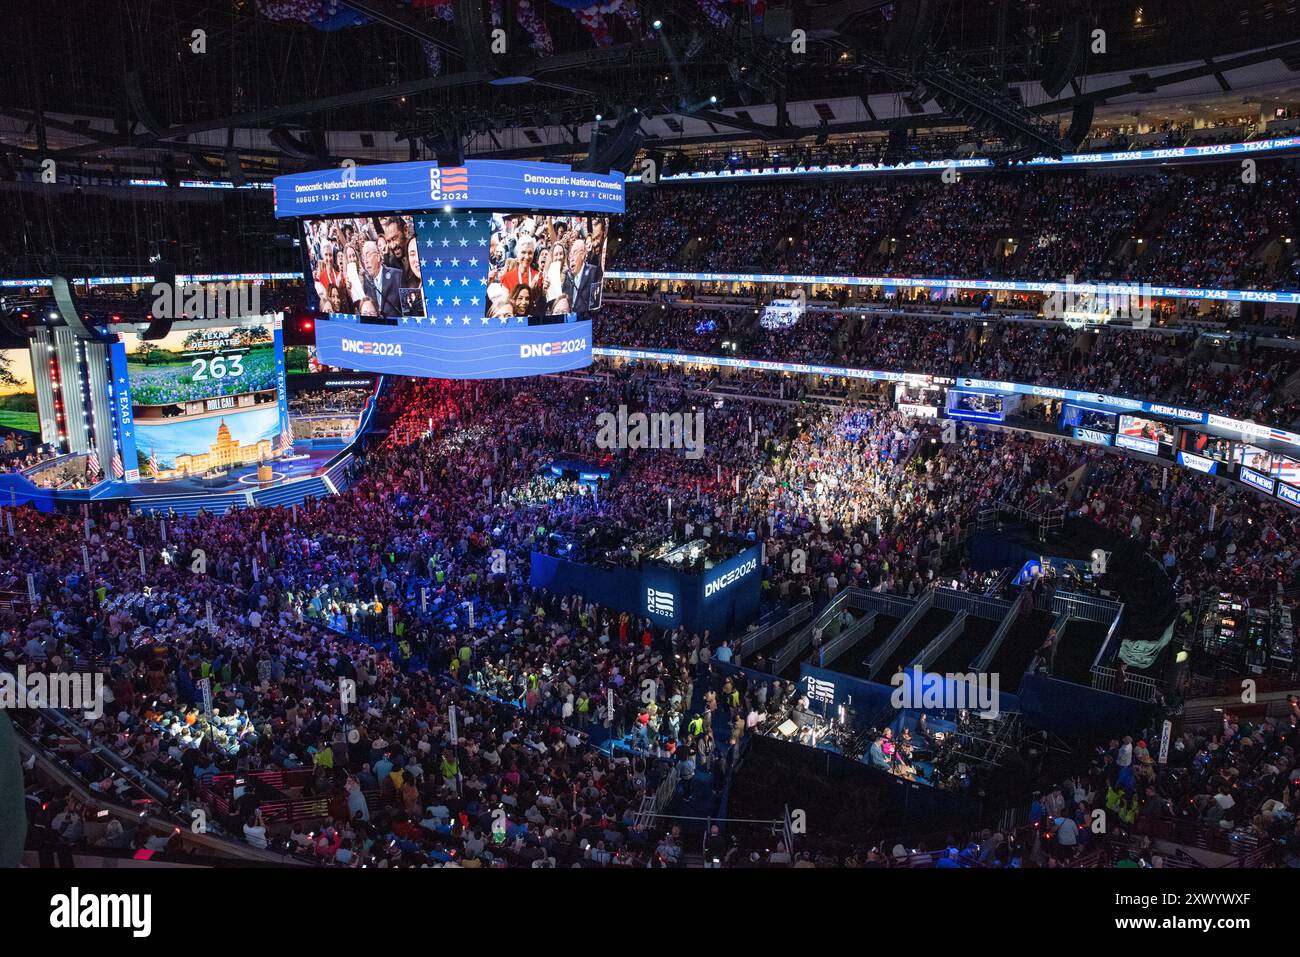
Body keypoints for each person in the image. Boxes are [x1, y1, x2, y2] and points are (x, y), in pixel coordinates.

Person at [359, 239, 403, 320]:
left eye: (368, 255)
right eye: (363, 257)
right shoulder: (367, 284)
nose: (365, 261)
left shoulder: (397, 276)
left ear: (378, 257)